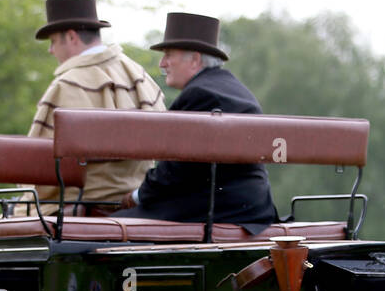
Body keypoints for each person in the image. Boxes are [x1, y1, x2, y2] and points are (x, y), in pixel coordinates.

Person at [112, 13, 278, 232]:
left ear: (195, 59)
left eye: (169, 55)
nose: (162, 63)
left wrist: (136, 196)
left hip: (218, 209)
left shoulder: (200, 95)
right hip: (254, 208)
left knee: (109, 228)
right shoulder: (234, 89)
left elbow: (172, 172)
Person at [25, 0, 165, 214]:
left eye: (53, 41)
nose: (51, 50)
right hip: (137, 204)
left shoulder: (67, 84)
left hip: (78, 207)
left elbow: (33, 165)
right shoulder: (140, 76)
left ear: (71, 37)